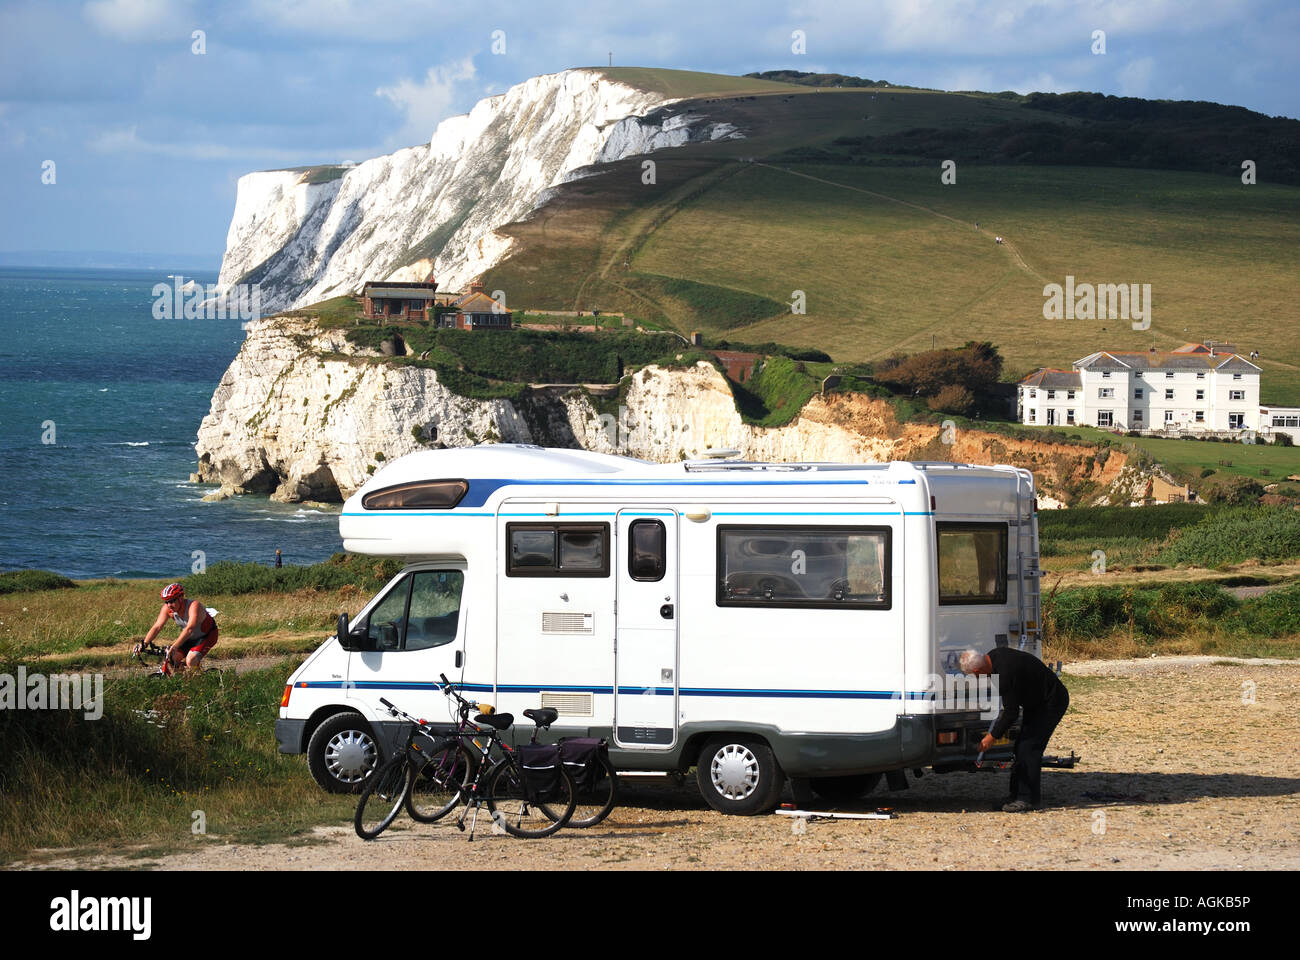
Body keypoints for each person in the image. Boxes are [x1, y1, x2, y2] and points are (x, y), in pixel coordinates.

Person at [960, 647, 1069, 812]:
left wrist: (992, 737)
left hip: (1051, 702)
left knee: (1029, 748)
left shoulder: (1003, 674)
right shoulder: (994, 656)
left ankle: (1027, 799)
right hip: (1036, 702)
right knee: (1020, 748)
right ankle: (1015, 795)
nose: (977, 678)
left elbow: (1011, 712)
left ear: (978, 670)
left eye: (975, 675)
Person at [141, 583, 219, 675]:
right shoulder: (168, 609)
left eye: (172, 601)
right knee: (172, 658)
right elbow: (157, 626)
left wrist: (174, 646)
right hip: (189, 637)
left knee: (191, 660)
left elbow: (189, 628)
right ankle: (183, 682)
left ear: (181, 598)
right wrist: (144, 643)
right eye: (166, 602)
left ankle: (201, 682)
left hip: (207, 636)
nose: (169, 605)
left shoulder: (194, 606)